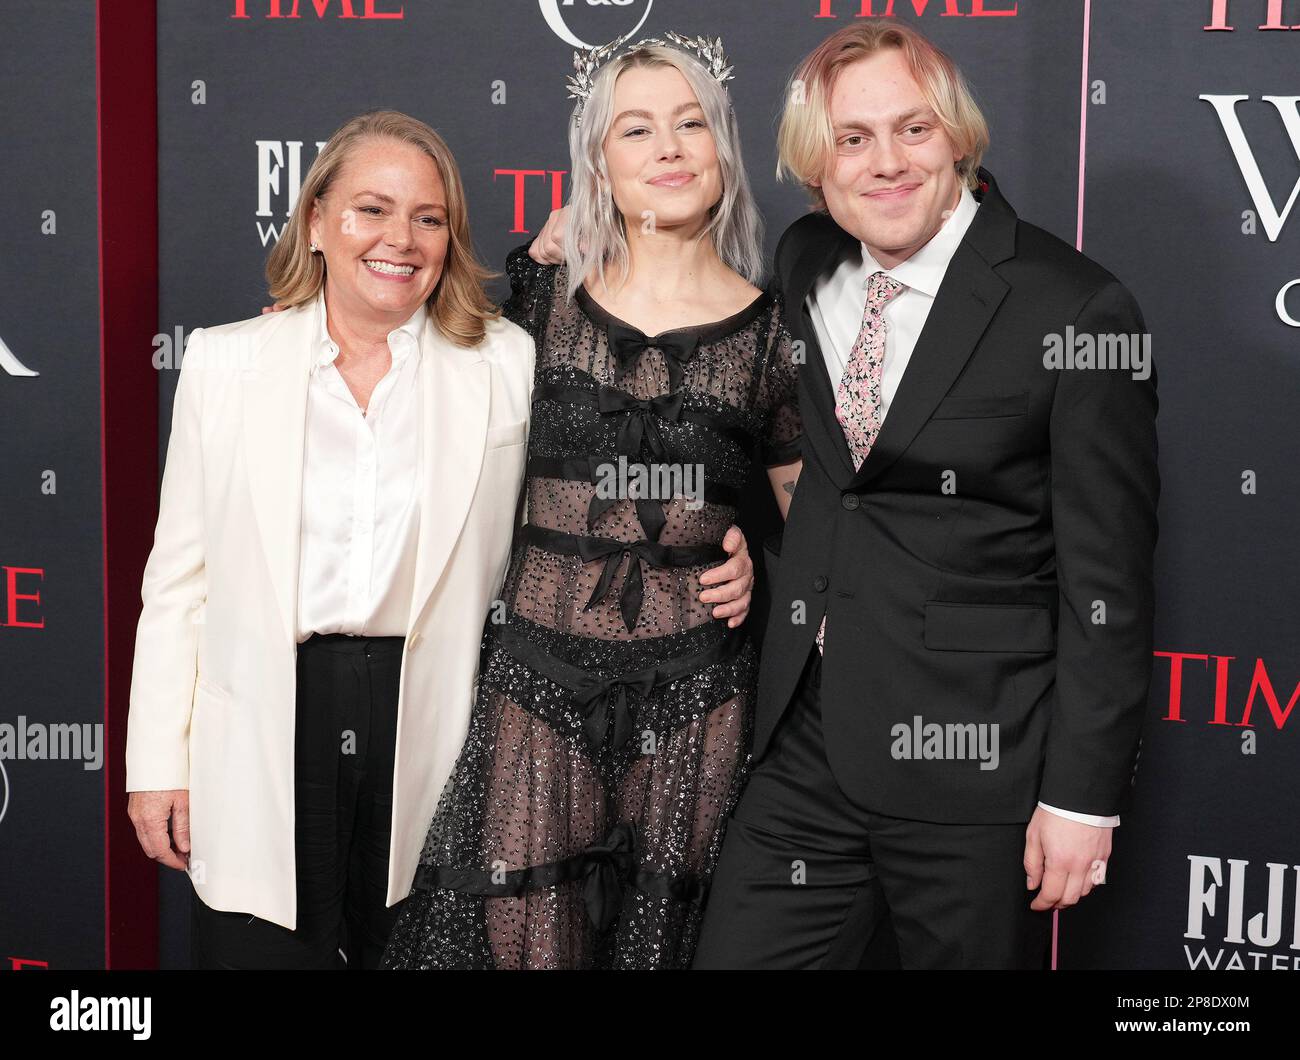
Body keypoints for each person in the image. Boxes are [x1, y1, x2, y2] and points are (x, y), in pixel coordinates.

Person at [690, 22, 1159, 969]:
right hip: (806, 745)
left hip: (975, 771)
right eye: (853, 139)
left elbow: (1109, 581)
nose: (887, 163)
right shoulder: (806, 260)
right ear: (817, 164)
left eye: (913, 130)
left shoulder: (1075, 309)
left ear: (958, 138)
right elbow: (805, 462)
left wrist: (1081, 798)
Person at [379, 33, 803, 969]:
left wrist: (759, 574)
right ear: (597, 165)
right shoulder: (536, 300)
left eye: (692, 123)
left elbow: (823, 534)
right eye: (637, 129)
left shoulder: (777, 334)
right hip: (534, 688)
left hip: (701, 698)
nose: (669, 148)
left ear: (724, 149)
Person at [124, 110, 538, 969]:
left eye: (429, 218)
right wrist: (156, 762)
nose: (402, 239)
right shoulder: (225, 363)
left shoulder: (506, 364)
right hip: (266, 724)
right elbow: (178, 582)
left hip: (434, 723)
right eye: (371, 210)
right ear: (316, 221)